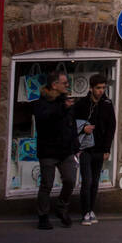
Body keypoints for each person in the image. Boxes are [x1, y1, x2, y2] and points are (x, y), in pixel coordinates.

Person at [33, 69, 79, 230]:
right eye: (64, 83)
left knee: (70, 180)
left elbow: (71, 125)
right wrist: (63, 109)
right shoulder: (42, 103)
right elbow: (45, 120)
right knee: (46, 184)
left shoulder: (65, 101)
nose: (67, 85)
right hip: (48, 150)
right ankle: (43, 216)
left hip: (65, 150)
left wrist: (76, 146)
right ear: (54, 85)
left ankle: (62, 206)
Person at [73, 74, 116, 224]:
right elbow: (72, 124)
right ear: (91, 88)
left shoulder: (107, 103)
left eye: (103, 88)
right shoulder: (82, 104)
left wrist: (107, 149)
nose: (101, 91)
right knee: (87, 181)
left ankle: (91, 209)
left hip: (99, 149)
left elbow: (111, 127)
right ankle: (85, 212)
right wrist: (83, 129)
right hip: (85, 149)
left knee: (95, 181)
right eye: (98, 88)